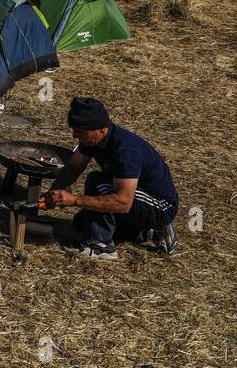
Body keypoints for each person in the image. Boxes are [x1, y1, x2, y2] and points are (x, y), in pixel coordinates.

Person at [45, 97, 179, 260]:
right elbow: (74, 167)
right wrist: (53, 192)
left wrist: (74, 199)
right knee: (81, 222)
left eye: (79, 131)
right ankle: (145, 230)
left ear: (101, 129)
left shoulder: (125, 151)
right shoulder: (92, 141)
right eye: (74, 129)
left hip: (160, 206)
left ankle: (102, 245)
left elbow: (123, 202)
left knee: (97, 182)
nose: (74, 135)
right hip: (135, 199)